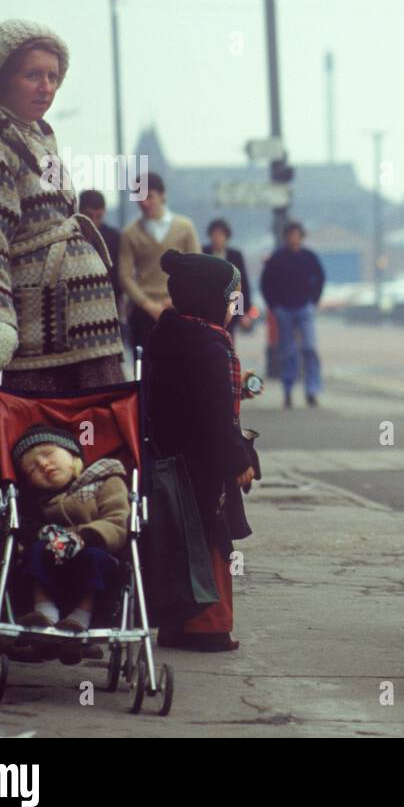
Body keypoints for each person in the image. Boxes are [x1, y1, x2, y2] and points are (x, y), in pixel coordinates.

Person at [0, 19, 124, 542]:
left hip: (80, 339)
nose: (45, 87)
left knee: (85, 464)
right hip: (29, 343)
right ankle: (19, 591)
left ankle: (87, 582)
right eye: (31, 74)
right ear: (0, 78)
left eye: (53, 76)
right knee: (21, 470)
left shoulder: (40, 137)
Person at [146, 250, 256, 653]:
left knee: (178, 539)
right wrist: (239, 461)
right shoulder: (210, 345)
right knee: (213, 539)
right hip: (205, 466)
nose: (232, 309)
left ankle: (176, 624)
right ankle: (208, 628)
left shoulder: (168, 334)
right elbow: (215, 414)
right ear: (209, 299)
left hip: (169, 458)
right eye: (230, 301)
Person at [10, 424, 129, 664]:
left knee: (93, 558)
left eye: (48, 454)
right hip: (54, 558)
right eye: (32, 468)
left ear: (73, 454)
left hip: (97, 552)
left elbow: (118, 522)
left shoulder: (105, 480)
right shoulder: (37, 501)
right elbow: (27, 531)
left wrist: (84, 537)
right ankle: (45, 617)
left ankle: (79, 621)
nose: (43, 465)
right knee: (35, 552)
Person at [117, 173, 200, 354]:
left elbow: (196, 267)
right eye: (139, 197)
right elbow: (125, 275)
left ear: (162, 195)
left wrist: (177, 298)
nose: (144, 203)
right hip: (144, 311)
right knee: (147, 368)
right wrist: (148, 305)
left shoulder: (185, 227)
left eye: (149, 196)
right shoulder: (130, 233)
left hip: (180, 308)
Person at [260, 221, 326, 408]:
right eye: (290, 235)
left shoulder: (309, 257)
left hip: (304, 307)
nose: (294, 238)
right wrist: (274, 306)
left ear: (301, 236)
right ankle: (288, 389)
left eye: (297, 235)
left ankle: (312, 390)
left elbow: (320, 278)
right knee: (288, 351)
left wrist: (314, 300)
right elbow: (266, 283)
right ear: (286, 237)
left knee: (309, 348)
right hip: (284, 310)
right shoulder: (277, 258)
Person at [204, 218, 253, 337]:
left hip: (230, 306)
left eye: (220, 235)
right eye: (214, 235)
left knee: (228, 339)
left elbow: (242, 284)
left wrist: (244, 312)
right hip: (207, 307)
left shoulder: (235, 256)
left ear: (226, 236)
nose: (217, 238)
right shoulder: (204, 253)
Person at [78, 189, 122, 302]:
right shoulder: (70, 236)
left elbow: (117, 276)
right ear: (79, 211)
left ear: (104, 213)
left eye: (98, 216)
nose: (93, 221)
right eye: (89, 216)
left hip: (107, 298)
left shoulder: (113, 237)